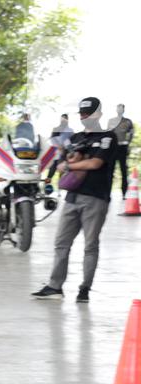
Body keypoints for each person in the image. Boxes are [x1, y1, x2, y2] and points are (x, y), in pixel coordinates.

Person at [32, 97, 117, 303]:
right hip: (72, 197)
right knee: (61, 243)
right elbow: (61, 163)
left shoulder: (108, 137)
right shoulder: (76, 138)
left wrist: (71, 164)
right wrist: (71, 161)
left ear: (99, 114)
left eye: (89, 113)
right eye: (82, 113)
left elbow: (95, 163)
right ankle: (55, 286)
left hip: (96, 198)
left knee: (90, 245)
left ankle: (84, 289)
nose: (84, 117)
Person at [107, 104, 133, 198]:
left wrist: (127, 143)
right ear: (116, 109)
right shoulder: (111, 121)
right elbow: (108, 133)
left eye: (121, 108)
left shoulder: (128, 121)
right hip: (113, 148)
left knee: (123, 171)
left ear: (124, 110)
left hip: (122, 147)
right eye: (118, 108)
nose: (120, 110)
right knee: (110, 170)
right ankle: (107, 193)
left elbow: (131, 133)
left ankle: (124, 193)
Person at [46, 114, 73, 183]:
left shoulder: (70, 130)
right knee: (53, 168)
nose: (64, 120)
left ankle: (61, 184)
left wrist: (67, 149)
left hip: (66, 152)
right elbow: (52, 139)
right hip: (57, 152)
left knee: (63, 169)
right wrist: (59, 147)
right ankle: (47, 183)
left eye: (65, 118)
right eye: (62, 118)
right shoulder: (56, 129)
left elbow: (71, 141)